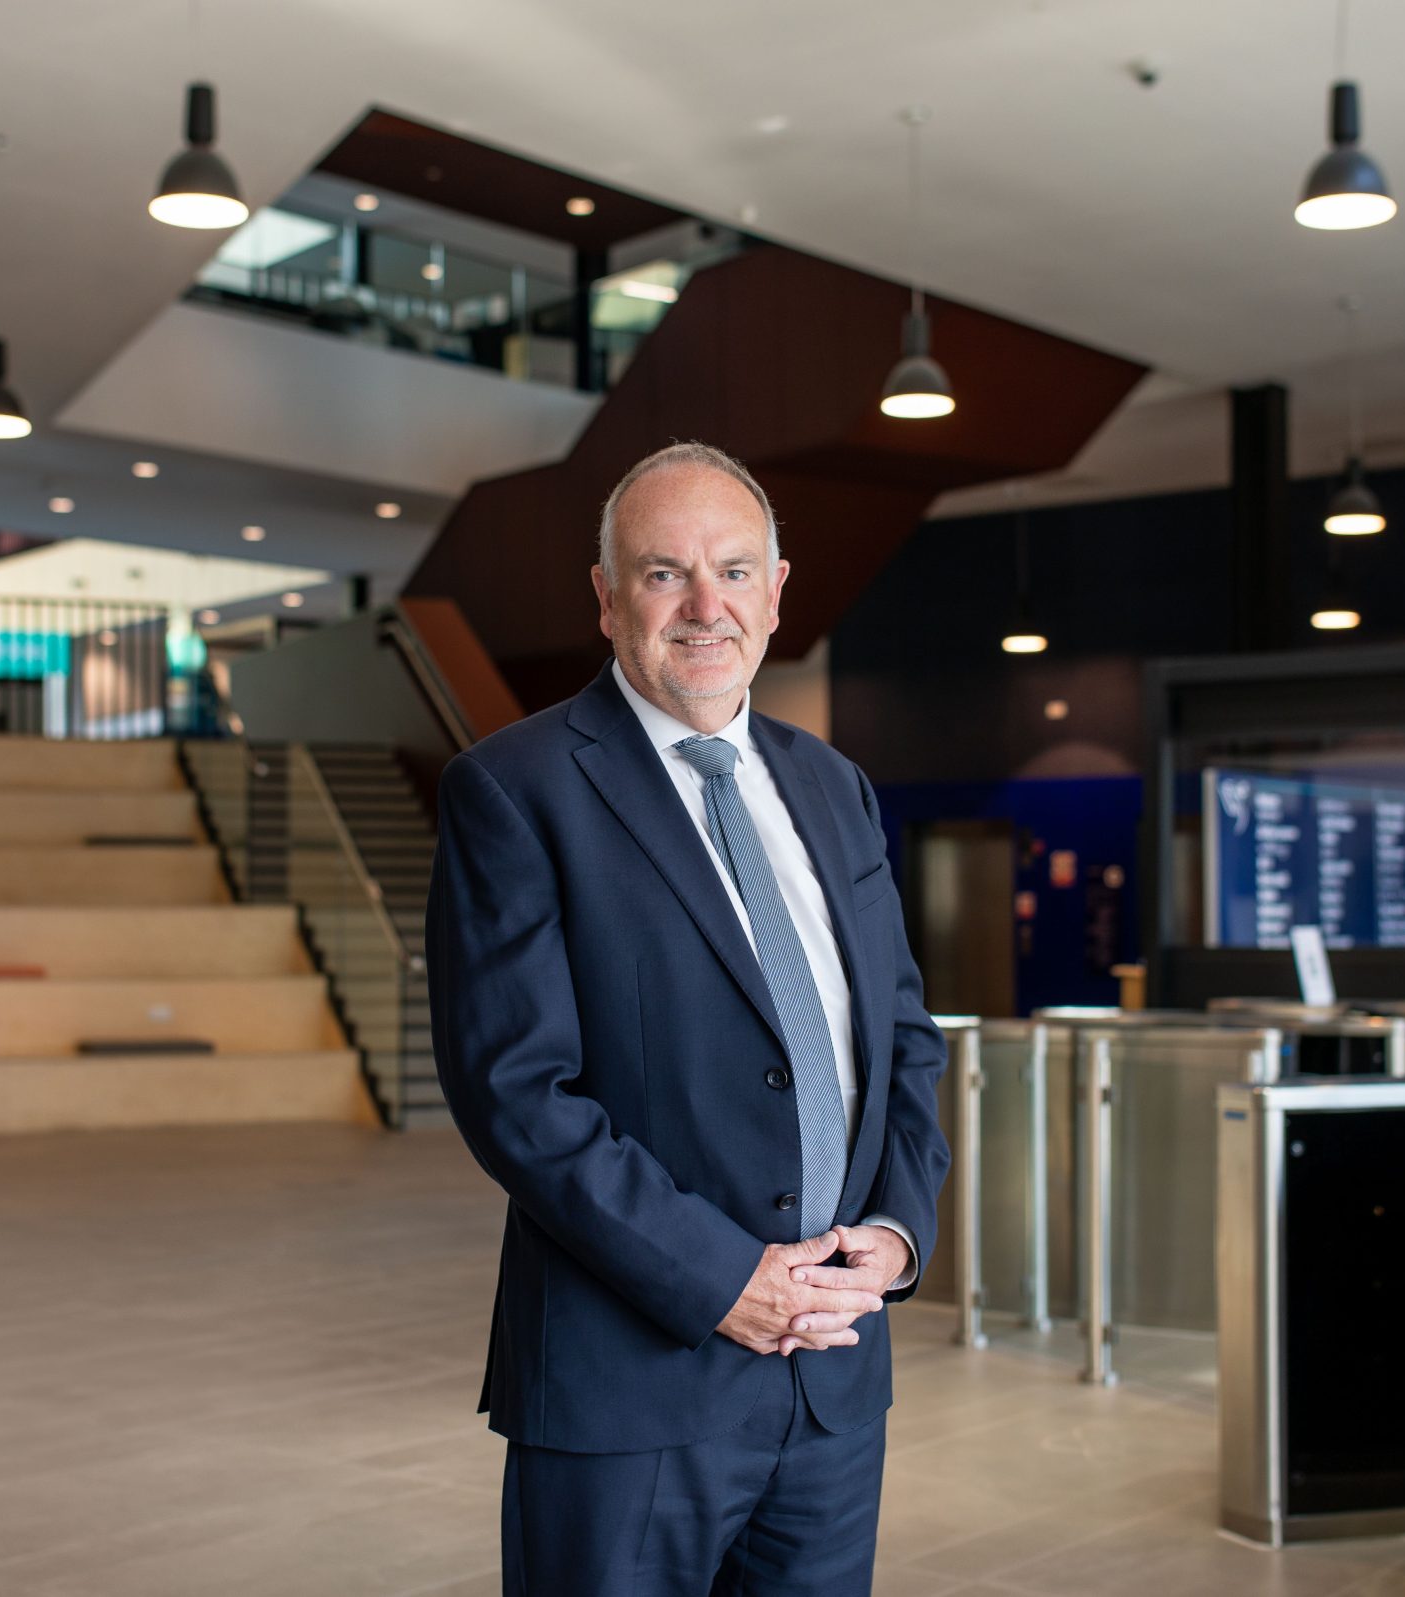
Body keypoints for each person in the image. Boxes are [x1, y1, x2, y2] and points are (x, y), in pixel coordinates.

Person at [427, 441, 951, 1596]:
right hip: (631, 1385)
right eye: (664, 574)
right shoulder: (515, 789)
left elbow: (903, 1038)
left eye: (733, 569)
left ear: (777, 590)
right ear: (608, 601)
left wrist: (896, 1233)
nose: (704, 605)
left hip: (833, 1378)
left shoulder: (832, 784)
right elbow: (517, 1095)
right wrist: (722, 1278)